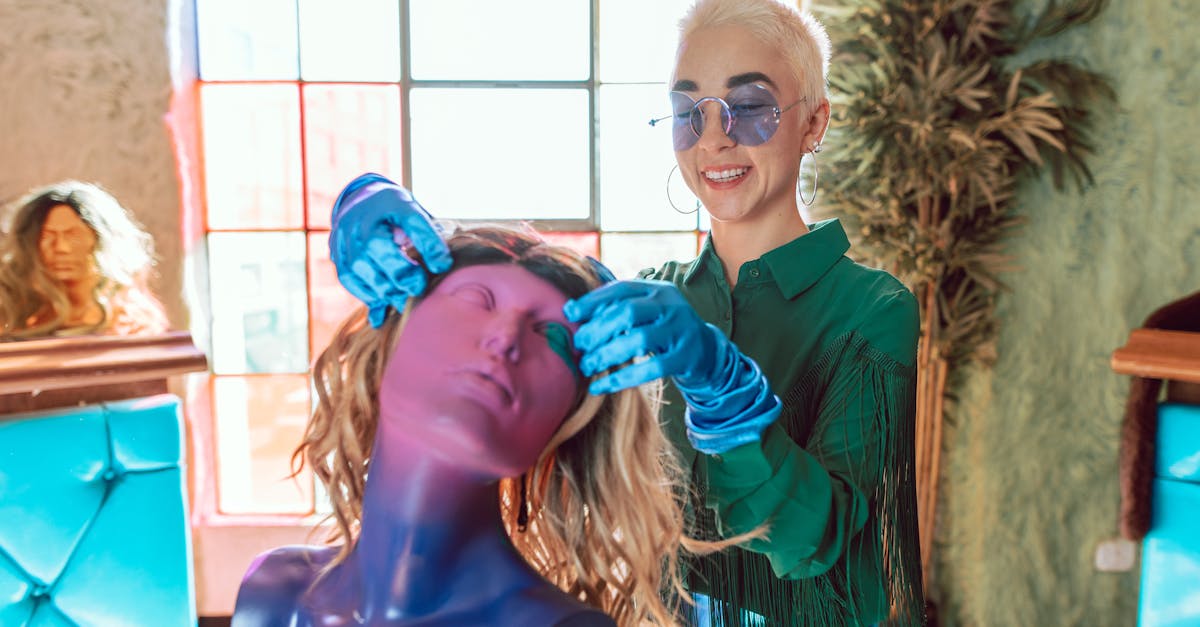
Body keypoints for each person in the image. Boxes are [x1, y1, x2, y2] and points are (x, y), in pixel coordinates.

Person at [326, 0, 926, 623]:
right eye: (688, 111)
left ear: (814, 124)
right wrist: (370, 205)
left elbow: (815, 542)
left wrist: (721, 388)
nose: (715, 135)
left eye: (749, 106)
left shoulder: (874, 311)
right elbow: (512, 352)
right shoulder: (650, 304)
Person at [234, 223, 748, 626]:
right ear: (388, 340)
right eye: (476, 301)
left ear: (565, 421)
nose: (505, 338)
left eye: (551, 337)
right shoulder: (274, 593)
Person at [0, 180, 168, 339]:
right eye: (47, 236)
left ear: (103, 241)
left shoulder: (131, 321)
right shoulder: (17, 316)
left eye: (74, 236)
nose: (61, 248)